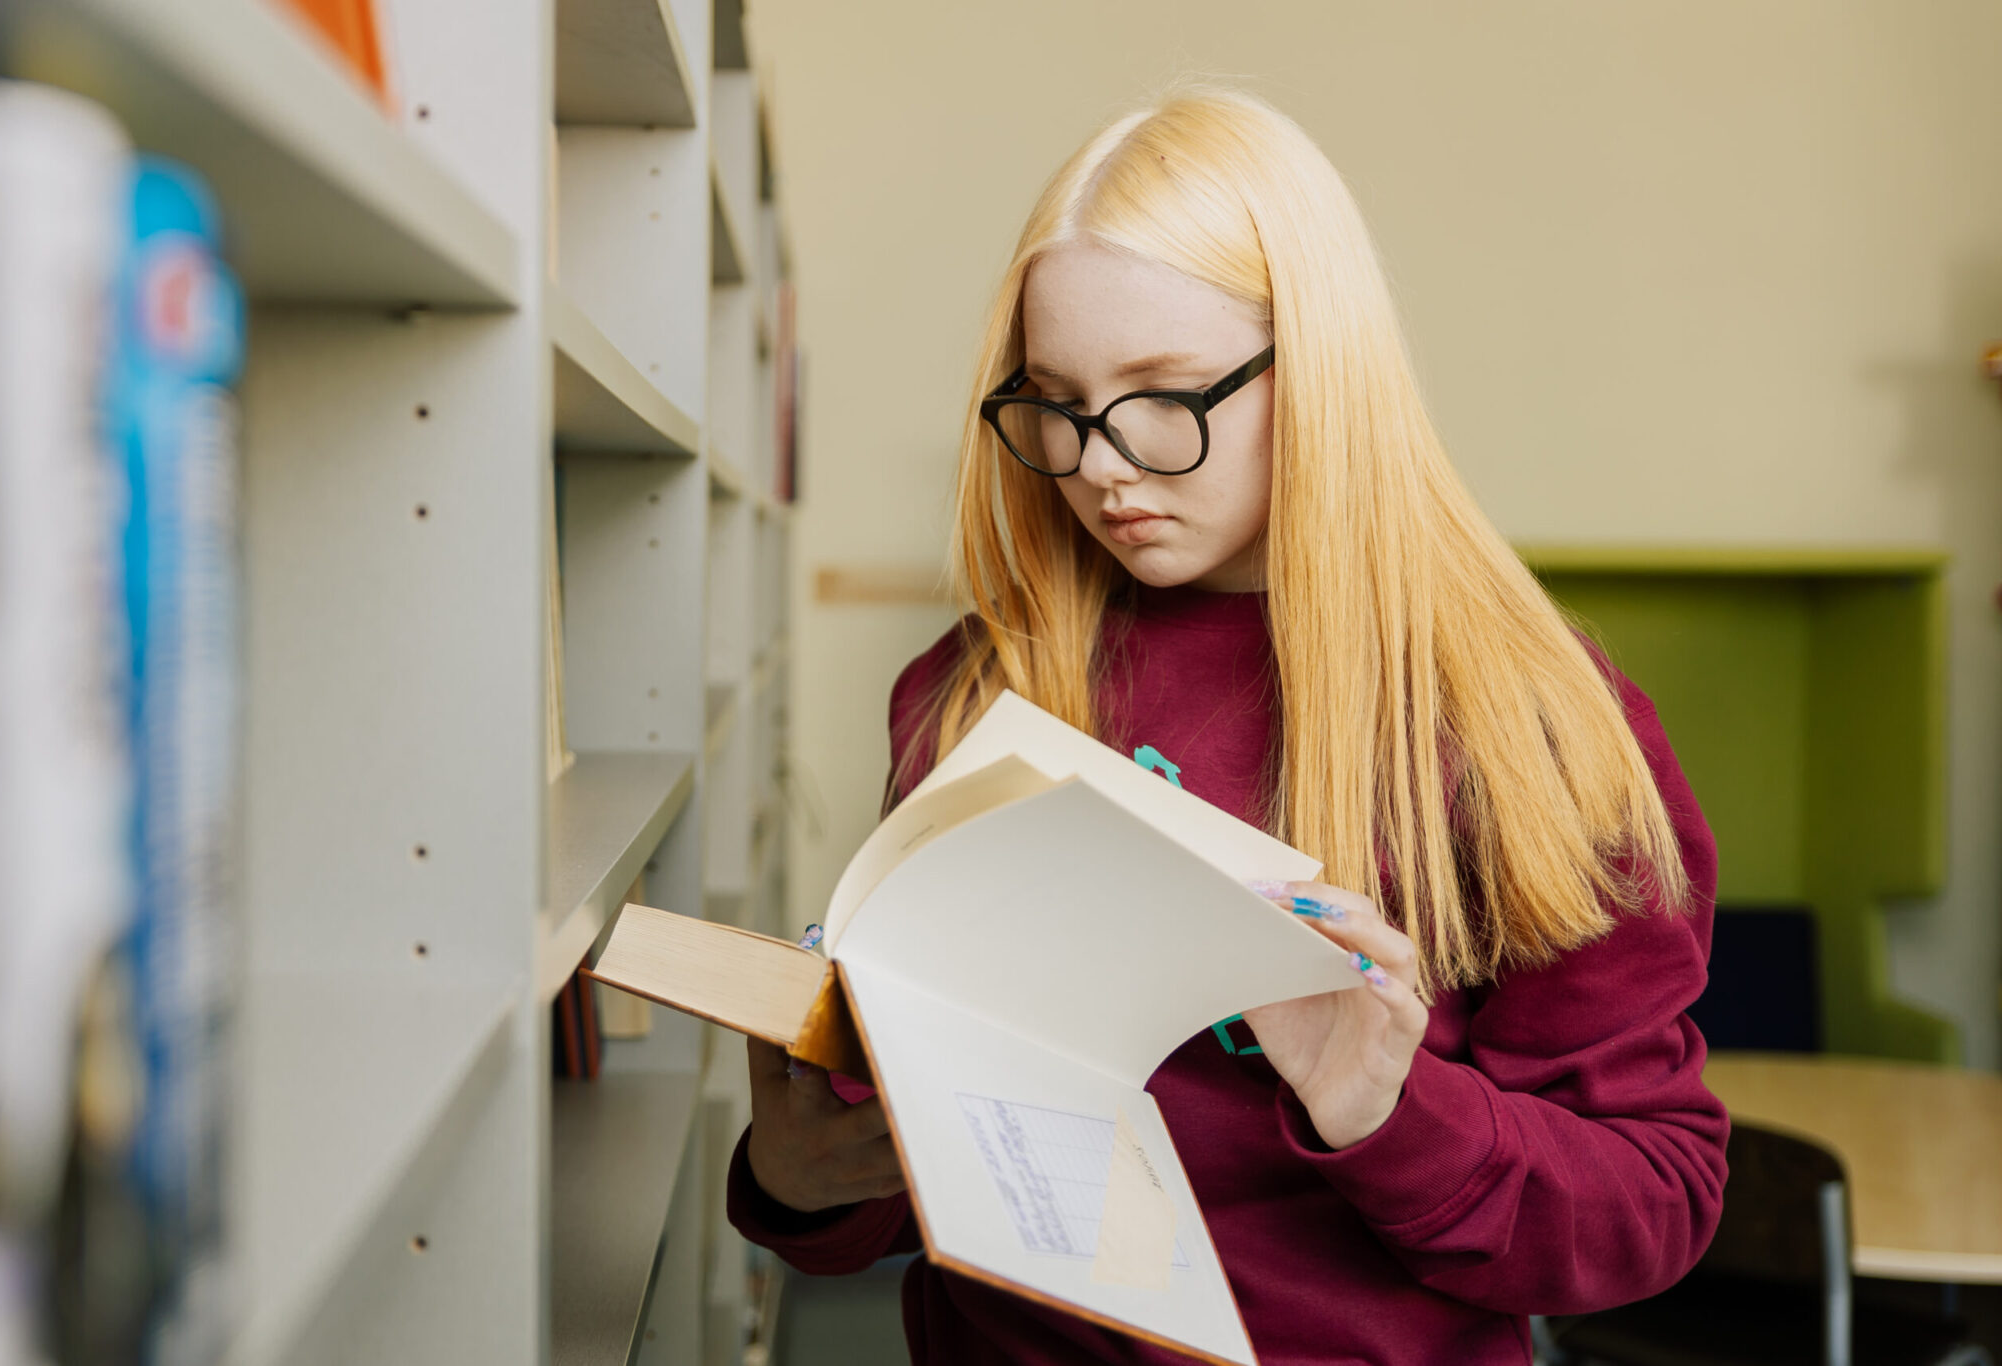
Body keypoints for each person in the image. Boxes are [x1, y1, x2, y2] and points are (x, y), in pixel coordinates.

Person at [725, 78, 1727, 1366]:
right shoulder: (972, 690)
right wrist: (810, 1179)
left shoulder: (1528, 724)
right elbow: (932, 1166)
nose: (1099, 461)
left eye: (1165, 395)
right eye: (1057, 402)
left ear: (1320, 371)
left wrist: (1388, 1109)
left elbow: (1651, 1201)